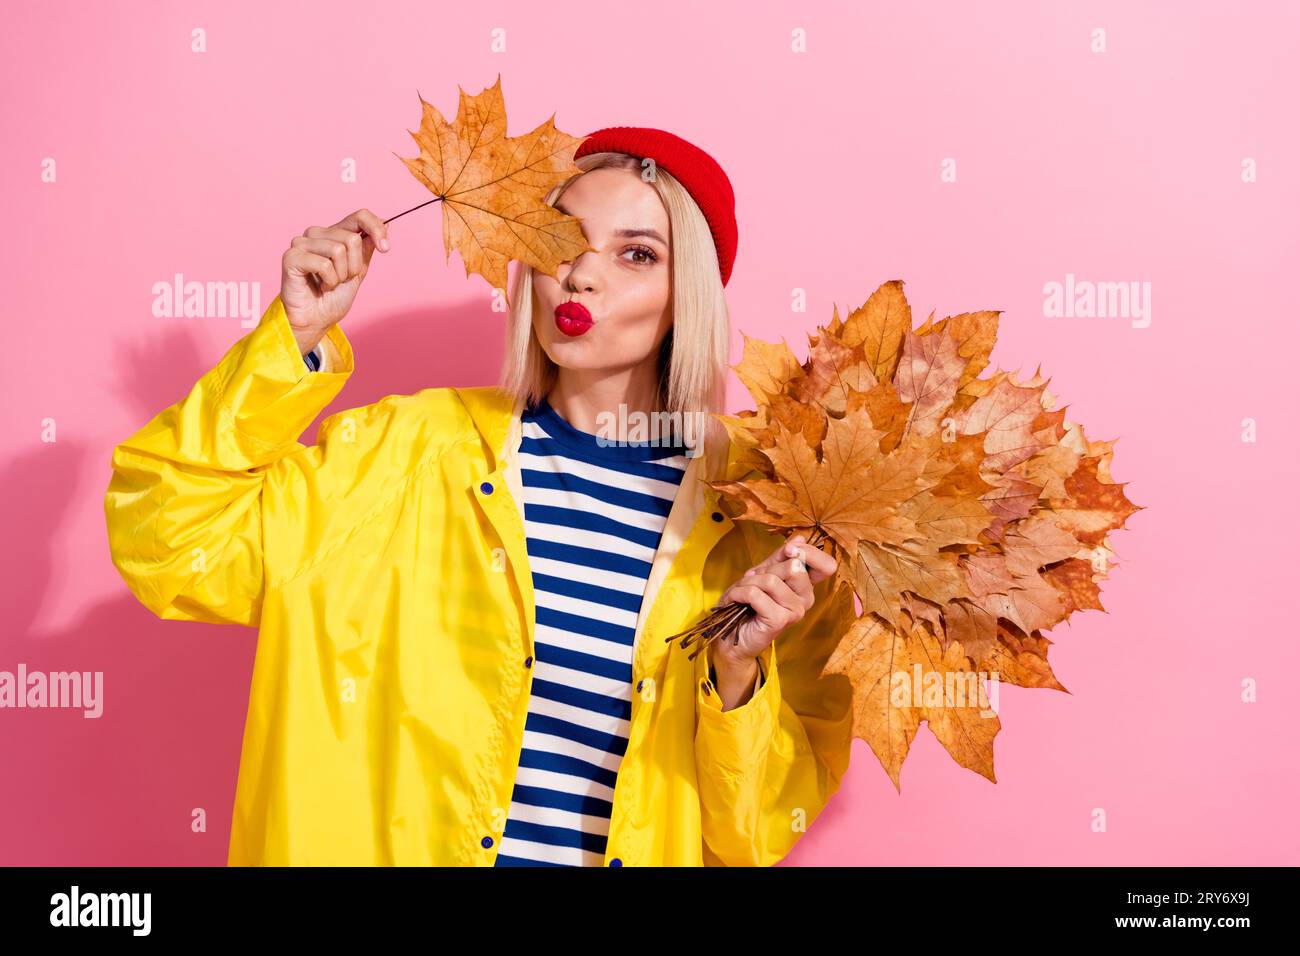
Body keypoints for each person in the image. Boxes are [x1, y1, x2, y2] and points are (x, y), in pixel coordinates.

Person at [104, 126, 857, 867]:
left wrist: (736, 676)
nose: (581, 274)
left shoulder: (771, 518)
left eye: (636, 254)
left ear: (686, 294)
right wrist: (289, 345)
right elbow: (171, 543)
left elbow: (757, 831)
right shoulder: (401, 454)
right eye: (563, 238)